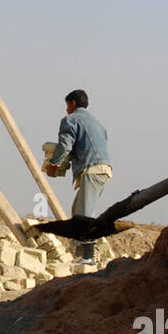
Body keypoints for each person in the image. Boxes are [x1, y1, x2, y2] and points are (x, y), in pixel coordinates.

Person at [44, 89, 113, 264]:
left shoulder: (71, 119)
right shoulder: (96, 123)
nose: (66, 109)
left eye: (67, 105)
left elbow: (65, 145)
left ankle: (88, 257)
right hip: (104, 170)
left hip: (92, 169)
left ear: (73, 103)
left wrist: (53, 164)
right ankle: (82, 253)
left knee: (84, 213)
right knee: (78, 210)